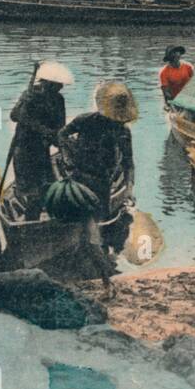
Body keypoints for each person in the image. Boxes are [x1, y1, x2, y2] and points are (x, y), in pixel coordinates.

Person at [58, 82, 138, 296]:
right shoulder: (119, 130)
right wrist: (128, 188)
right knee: (92, 231)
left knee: (87, 230)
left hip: (83, 180)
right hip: (95, 183)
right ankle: (105, 279)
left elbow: (62, 135)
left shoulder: (86, 121)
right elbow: (128, 164)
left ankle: (100, 278)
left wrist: (68, 154)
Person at [9, 61, 71, 219]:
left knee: (47, 189)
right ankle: (31, 221)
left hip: (41, 150)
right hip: (24, 148)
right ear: (47, 84)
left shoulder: (58, 100)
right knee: (32, 194)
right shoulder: (30, 95)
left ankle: (48, 219)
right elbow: (15, 116)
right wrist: (26, 104)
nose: (60, 88)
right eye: (57, 85)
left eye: (61, 85)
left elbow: (60, 127)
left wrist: (61, 141)